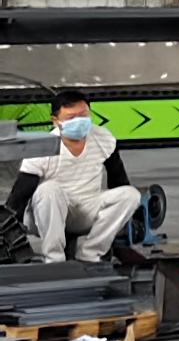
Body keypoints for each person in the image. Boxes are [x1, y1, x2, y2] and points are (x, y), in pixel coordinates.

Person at [19, 91, 139, 262]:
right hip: (47, 215)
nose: (78, 121)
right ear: (56, 120)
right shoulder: (42, 147)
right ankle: (54, 259)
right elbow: (20, 195)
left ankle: (90, 254)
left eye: (83, 116)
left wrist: (125, 219)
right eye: (71, 117)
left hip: (87, 211)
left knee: (130, 194)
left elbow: (119, 181)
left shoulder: (103, 138)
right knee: (48, 189)